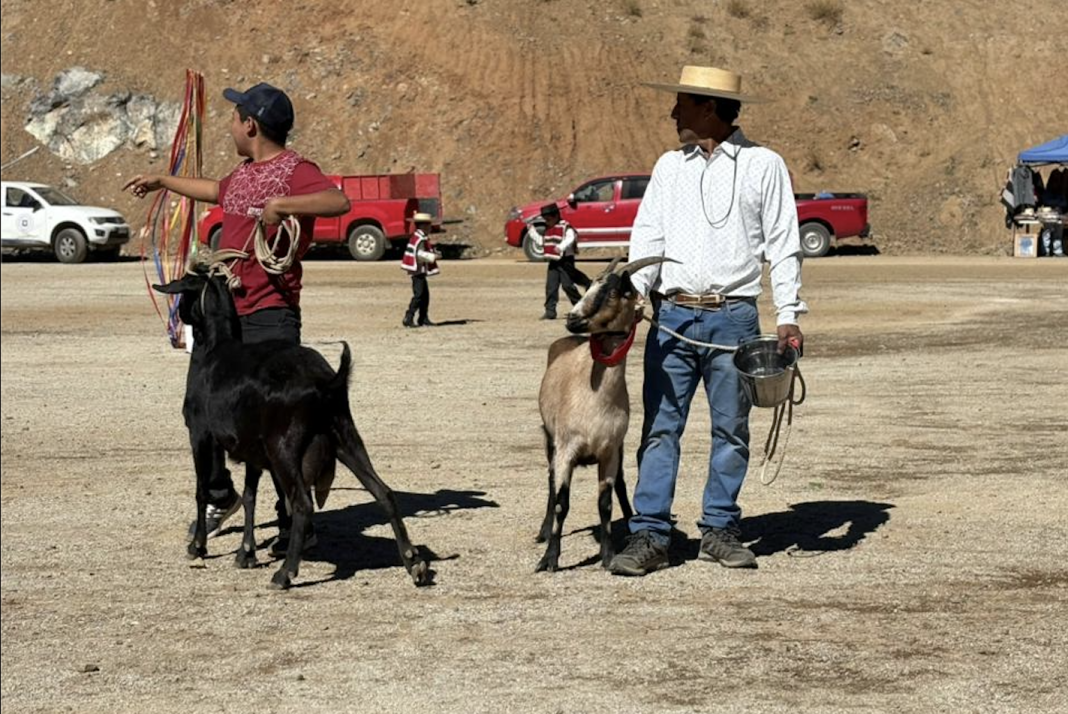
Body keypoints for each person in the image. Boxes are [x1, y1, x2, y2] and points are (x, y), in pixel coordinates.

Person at [124, 82, 350, 550]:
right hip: (226, 319)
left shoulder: (295, 171)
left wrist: (282, 205)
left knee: (279, 421)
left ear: (250, 125)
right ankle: (218, 494)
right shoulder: (244, 174)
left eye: (233, 117)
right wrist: (164, 180)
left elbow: (337, 201)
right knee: (201, 410)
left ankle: (293, 520)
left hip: (271, 311)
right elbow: (214, 190)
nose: (229, 125)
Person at [607, 65, 807, 576]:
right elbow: (648, 237)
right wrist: (637, 294)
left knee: (731, 429)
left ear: (710, 108)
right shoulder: (669, 167)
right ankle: (650, 534)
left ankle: (719, 529)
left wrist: (788, 314)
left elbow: (784, 244)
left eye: (682, 104)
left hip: (734, 317)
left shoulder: (764, 165)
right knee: (659, 428)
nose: (672, 113)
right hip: (672, 315)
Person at [528, 204, 591, 319]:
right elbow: (543, 242)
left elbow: (571, 238)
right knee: (551, 287)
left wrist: (561, 247)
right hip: (554, 261)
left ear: (556, 216)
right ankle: (550, 311)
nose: (547, 222)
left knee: (567, 286)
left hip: (566, 261)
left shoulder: (566, 227)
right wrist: (532, 231)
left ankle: (581, 309)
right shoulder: (548, 229)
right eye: (546, 219)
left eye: (549, 219)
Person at [401, 212, 441, 327]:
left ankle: (423, 318)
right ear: (423, 226)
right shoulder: (419, 239)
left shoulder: (418, 237)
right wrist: (432, 257)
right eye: (428, 225)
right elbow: (419, 254)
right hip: (418, 272)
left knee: (424, 296)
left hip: (420, 271)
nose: (430, 227)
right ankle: (409, 317)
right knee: (419, 296)